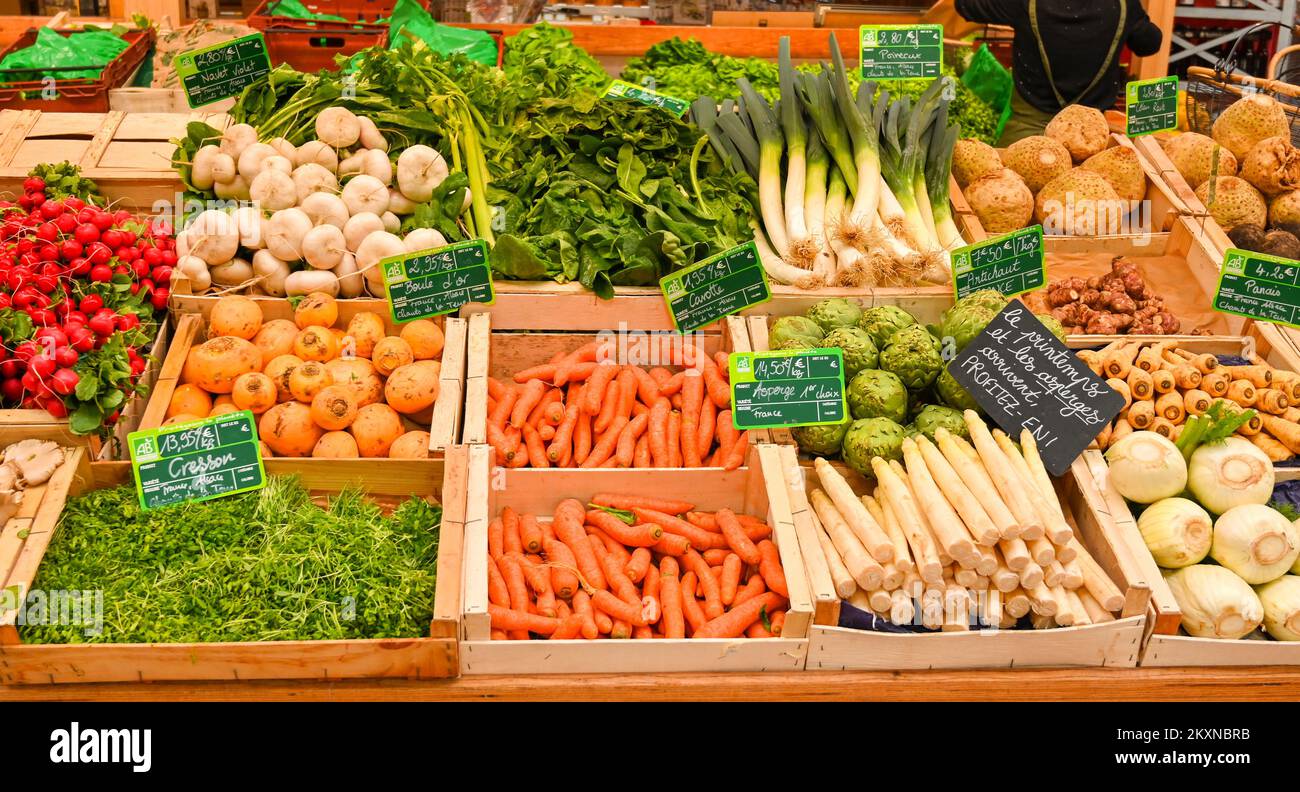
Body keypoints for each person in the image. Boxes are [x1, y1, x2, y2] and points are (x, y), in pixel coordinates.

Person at [953, 0, 1164, 145]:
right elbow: (1150, 43)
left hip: (1027, 134)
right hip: (1093, 141)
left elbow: (966, 6)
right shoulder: (1123, 5)